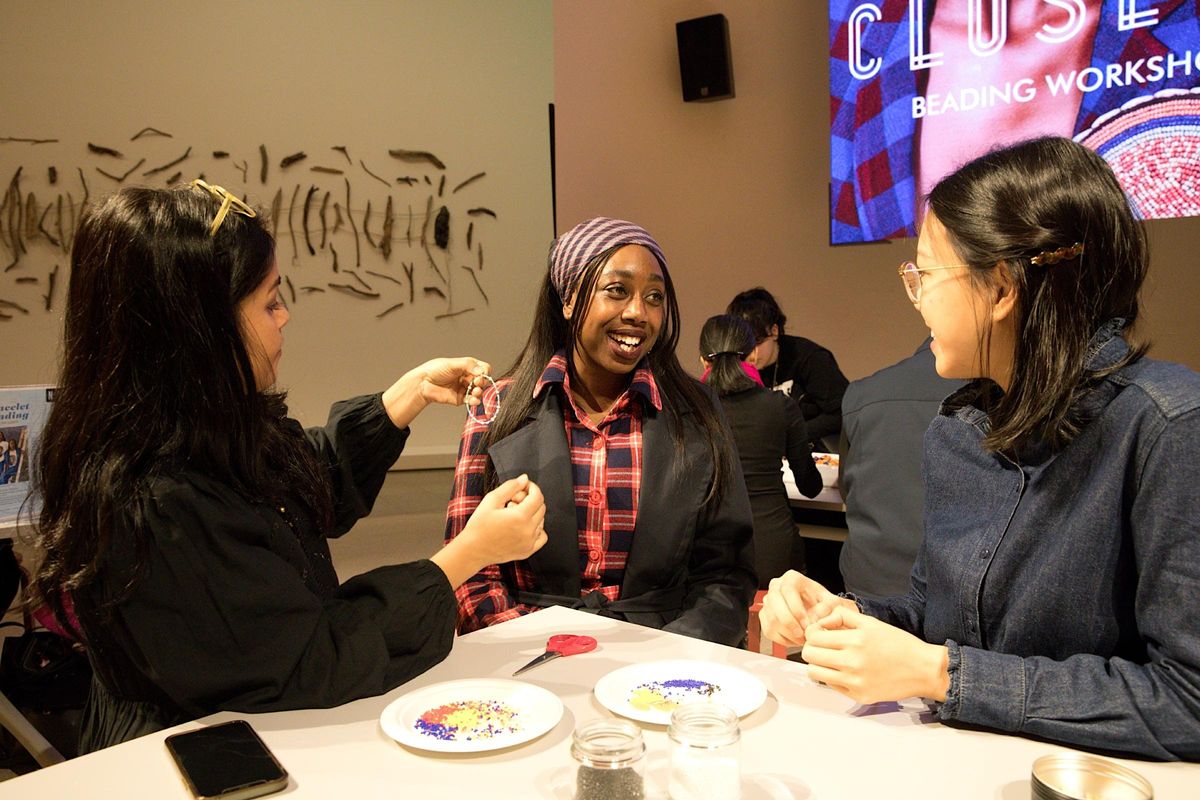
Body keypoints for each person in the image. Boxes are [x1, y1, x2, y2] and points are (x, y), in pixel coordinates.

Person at [31, 182, 548, 753]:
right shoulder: (154, 500)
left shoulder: (210, 425)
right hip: (190, 755)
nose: (285, 316)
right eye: (269, 301)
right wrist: (468, 555)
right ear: (197, 328)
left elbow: (307, 483)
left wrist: (409, 395)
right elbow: (307, 655)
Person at [759, 137, 1200, 761]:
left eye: (926, 275)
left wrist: (943, 676)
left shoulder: (1167, 428)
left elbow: (1188, 702)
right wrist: (844, 617)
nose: (916, 300)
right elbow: (933, 610)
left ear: (1000, 288)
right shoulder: (959, 429)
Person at [445, 217, 756, 646]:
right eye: (617, 290)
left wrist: (673, 656)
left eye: (654, 298)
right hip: (528, 660)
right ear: (568, 299)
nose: (638, 313)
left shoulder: (700, 413)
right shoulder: (496, 408)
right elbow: (471, 570)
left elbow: (725, 573)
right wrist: (534, 649)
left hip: (664, 659)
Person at [699, 314, 821, 588]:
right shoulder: (780, 407)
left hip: (709, 553)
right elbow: (810, 486)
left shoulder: (691, 408)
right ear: (751, 356)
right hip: (773, 553)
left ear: (704, 361)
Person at [837, 338, 964, 598]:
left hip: (871, 582)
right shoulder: (1002, 397)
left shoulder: (864, 393)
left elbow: (846, 487)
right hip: (954, 591)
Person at [726, 288, 848, 450]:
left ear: (774, 331)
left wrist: (793, 434)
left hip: (815, 453)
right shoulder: (738, 364)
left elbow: (842, 412)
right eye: (743, 347)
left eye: (757, 343)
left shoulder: (809, 357)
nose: (750, 355)